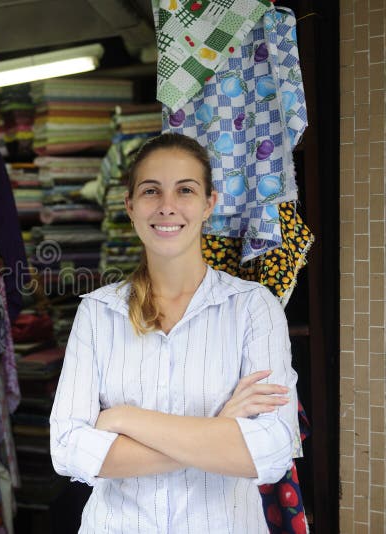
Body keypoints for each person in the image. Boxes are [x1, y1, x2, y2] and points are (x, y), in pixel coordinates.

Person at [49, 133, 299, 533]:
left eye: (185, 190)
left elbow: (270, 452)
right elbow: (67, 450)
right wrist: (220, 430)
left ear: (208, 204)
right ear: (130, 206)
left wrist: (122, 418)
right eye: (151, 191)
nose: (167, 206)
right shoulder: (98, 313)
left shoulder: (253, 307)